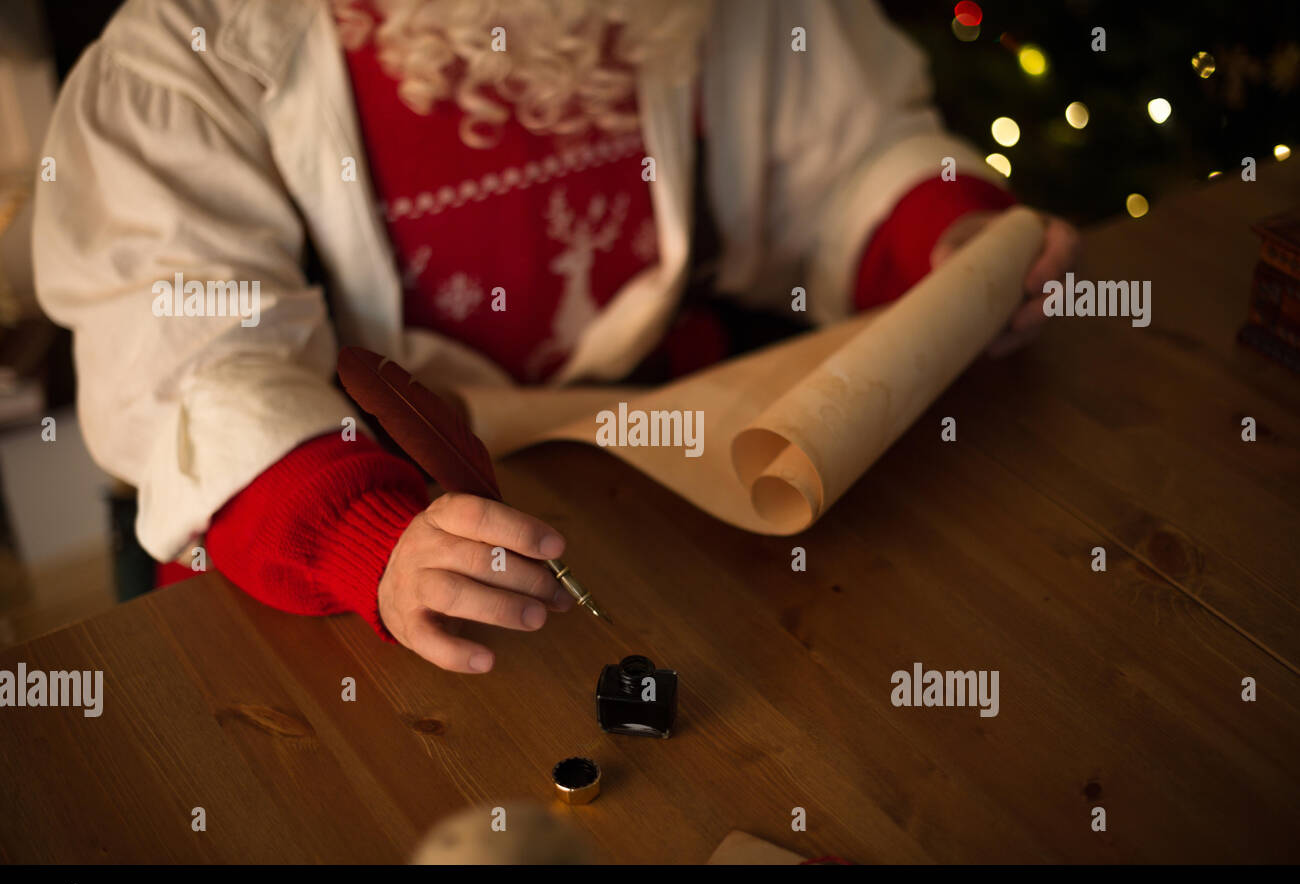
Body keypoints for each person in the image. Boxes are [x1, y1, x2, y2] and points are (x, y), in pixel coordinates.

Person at [32, 0, 1078, 673]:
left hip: (665, 468)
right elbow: (190, 349)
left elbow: (852, 154)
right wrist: (363, 537)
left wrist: (950, 247)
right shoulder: (185, 53)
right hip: (335, 522)